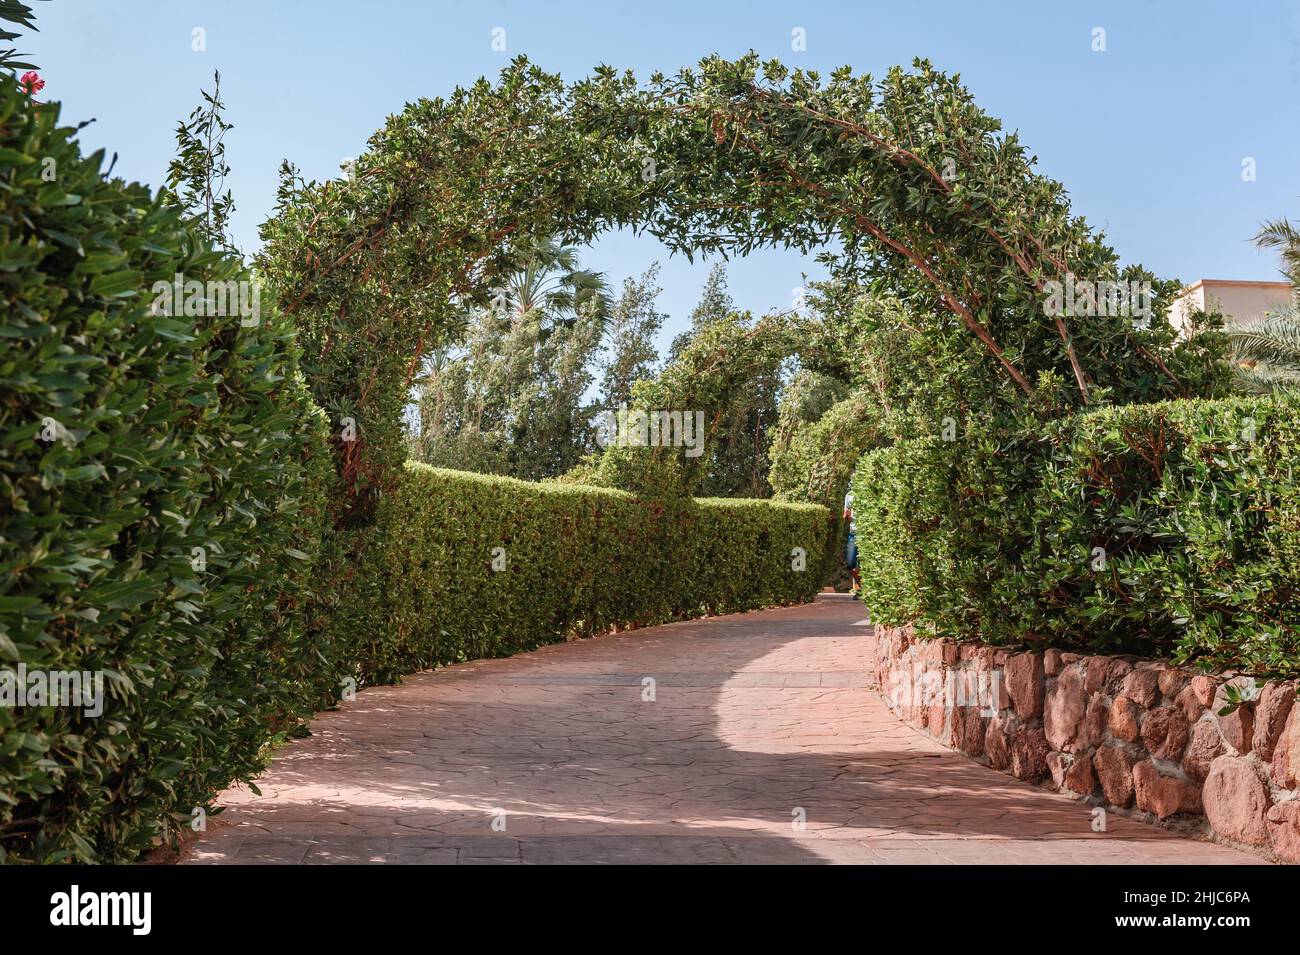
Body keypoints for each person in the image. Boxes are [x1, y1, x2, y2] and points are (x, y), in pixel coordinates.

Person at [843, 489, 860, 596]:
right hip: (853, 532)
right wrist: (846, 516)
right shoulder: (849, 495)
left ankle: (863, 590)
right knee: (850, 563)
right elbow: (845, 515)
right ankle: (864, 587)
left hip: (869, 533)